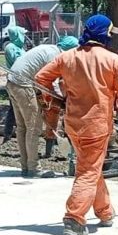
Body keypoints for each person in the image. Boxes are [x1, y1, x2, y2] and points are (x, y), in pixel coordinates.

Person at [36, 15, 118, 235]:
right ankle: (74, 219)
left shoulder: (66, 58)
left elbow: (41, 78)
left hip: (73, 124)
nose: (111, 37)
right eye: (110, 33)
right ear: (103, 35)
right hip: (97, 125)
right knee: (88, 171)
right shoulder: (112, 60)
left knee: (90, 167)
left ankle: (105, 211)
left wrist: (55, 100)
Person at [6, 36, 79, 178]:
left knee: (23, 128)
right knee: (34, 128)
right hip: (23, 85)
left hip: (12, 82)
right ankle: (34, 168)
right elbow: (50, 81)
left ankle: (25, 166)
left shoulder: (49, 49)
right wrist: (63, 99)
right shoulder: (56, 56)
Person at [2, 26, 26, 143]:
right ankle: (8, 135)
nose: (24, 37)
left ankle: (16, 134)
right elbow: (19, 62)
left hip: (23, 81)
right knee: (14, 109)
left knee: (19, 109)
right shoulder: (11, 48)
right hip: (16, 81)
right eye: (22, 34)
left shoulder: (19, 47)